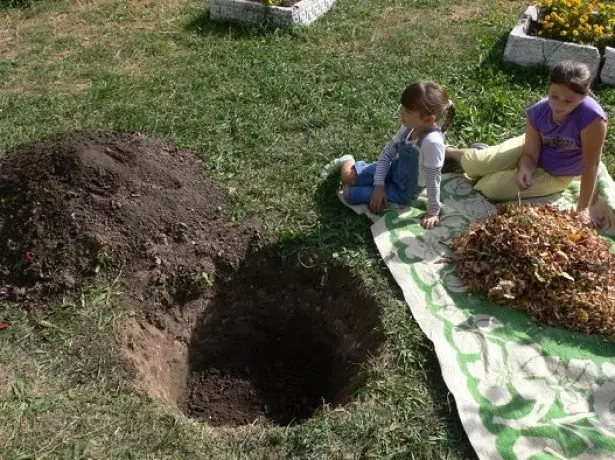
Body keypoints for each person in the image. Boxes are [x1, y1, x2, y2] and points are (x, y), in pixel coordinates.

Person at [446, 60, 608, 226]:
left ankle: (487, 159)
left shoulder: (592, 119)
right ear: (549, 87)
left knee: (491, 188)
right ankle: (452, 152)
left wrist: (582, 209)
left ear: (585, 95)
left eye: (569, 101)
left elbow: (591, 165)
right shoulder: (539, 110)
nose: (558, 105)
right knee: (475, 164)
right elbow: (531, 151)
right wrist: (526, 167)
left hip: (557, 173)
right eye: (554, 96)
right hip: (532, 148)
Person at [340, 81, 454, 230]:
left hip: (404, 190)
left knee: (348, 194)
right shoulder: (407, 128)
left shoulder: (432, 143)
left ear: (429, 119)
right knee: (347, 177)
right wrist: (379, 184)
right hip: (393, 170)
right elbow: (387, 154)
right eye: (403, 108)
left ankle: (363, 178)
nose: (401, 112)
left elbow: (433, 180)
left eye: (408, 111)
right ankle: (349, 159)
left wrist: (433, 212)